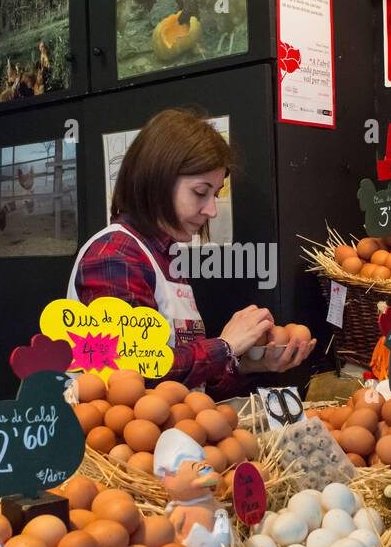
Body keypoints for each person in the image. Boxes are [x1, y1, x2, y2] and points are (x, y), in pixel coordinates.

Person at [67, 108, 314, 394]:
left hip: (170, 436)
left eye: (216, 194)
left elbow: (188, 385)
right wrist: (225, 346)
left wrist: (246, 364)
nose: (210, 210)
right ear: (157, 179)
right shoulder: (114, 255)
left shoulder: (164, 256)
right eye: (200, 192)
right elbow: (133, 373)